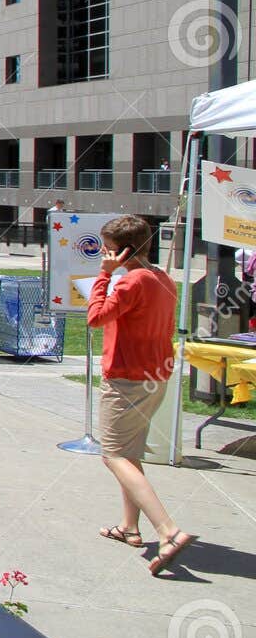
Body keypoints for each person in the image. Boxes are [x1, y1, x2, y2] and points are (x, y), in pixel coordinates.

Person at [86, 215, 193, 575]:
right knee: (130, 454)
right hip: (155, 376)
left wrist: (103, 275)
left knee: (113, 455)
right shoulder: (163, 278)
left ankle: (168, 530)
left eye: (109, 249)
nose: (105, 254)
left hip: (126, 378)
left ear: (125, 250)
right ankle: (130, 526)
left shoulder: (130, 282)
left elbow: (96, 317)